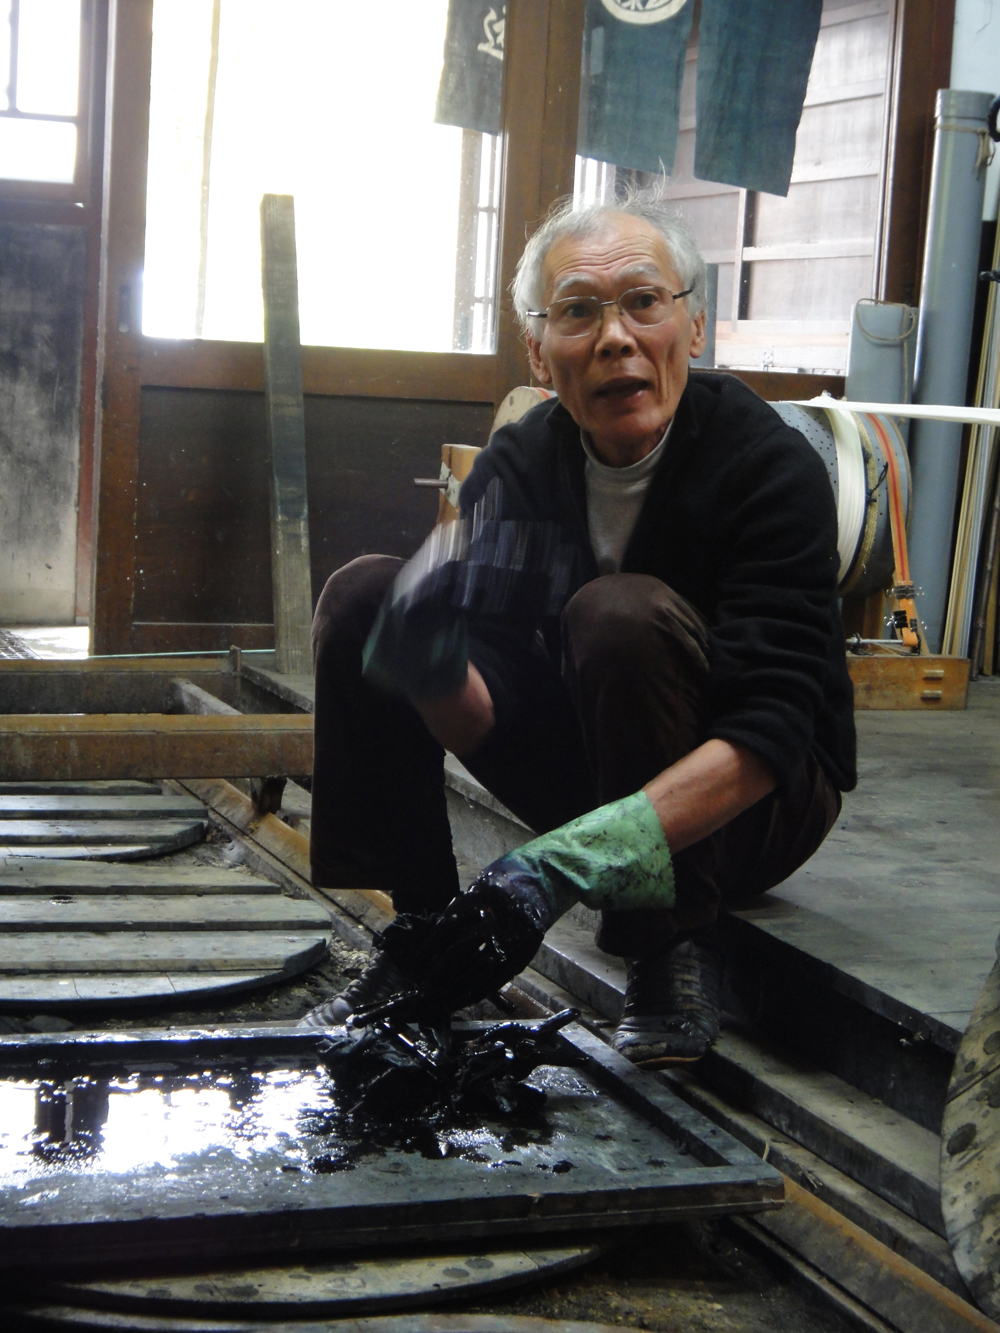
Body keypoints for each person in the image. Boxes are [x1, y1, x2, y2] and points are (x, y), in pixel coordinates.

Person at [301, 185, 855, 1063]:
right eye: (578, 312)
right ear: (538, 348)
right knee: (366, 596)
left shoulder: (767, 467)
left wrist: (552, 865)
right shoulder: (522, 465)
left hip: (755, 809)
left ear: (694, 327)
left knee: (616, 614)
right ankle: (428, 936)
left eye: (643, 302)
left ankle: (670, 944)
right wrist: (424, 662)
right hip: (599, 770)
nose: (615, 337)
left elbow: (773, 733)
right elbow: (493, 716)